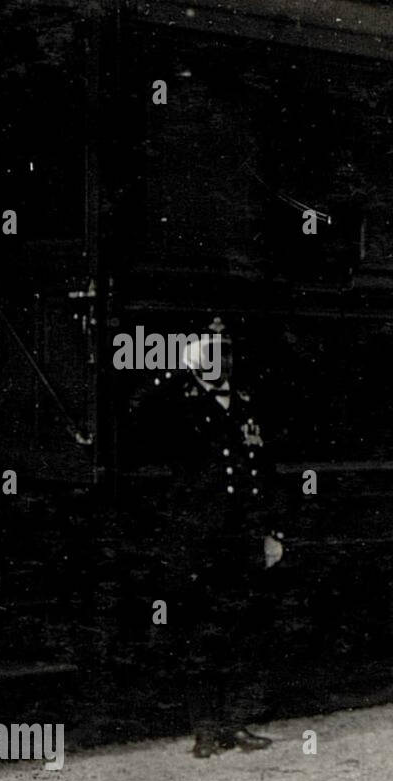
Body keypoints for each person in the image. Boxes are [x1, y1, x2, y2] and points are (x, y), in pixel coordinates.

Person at [138, 318, 281, 758]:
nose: (221, 362)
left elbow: (262, 473)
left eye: (227, 353)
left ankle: (236, 724)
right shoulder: (177, 404)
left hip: (239, 539)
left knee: (240, 632)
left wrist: (271, 532)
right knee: (200, 635)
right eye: (209, 352)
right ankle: (205, 729)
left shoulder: (243, 403)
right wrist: (179, 374)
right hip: (196, 542)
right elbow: (143, 417)